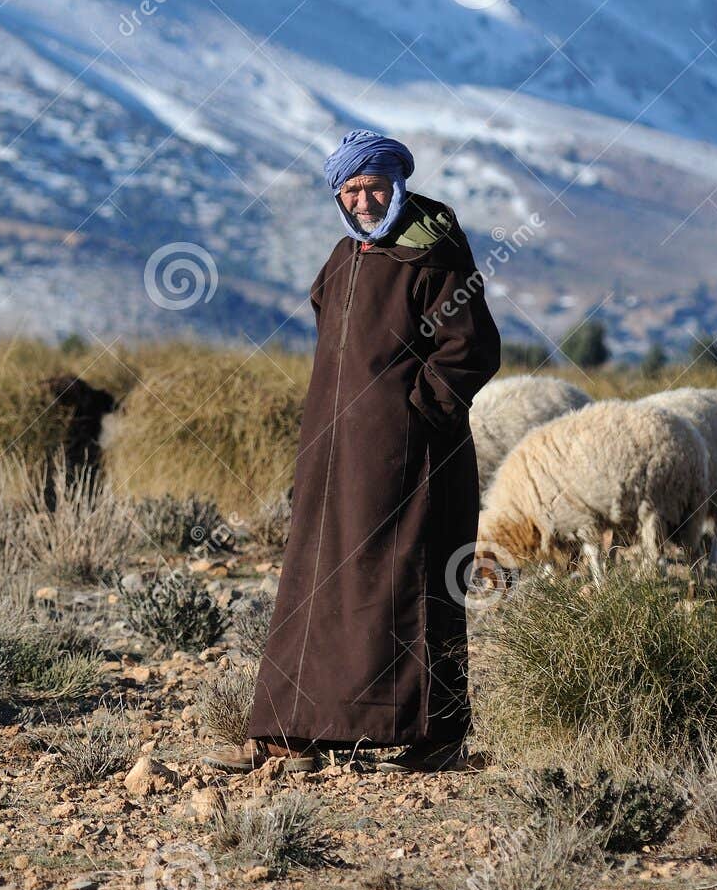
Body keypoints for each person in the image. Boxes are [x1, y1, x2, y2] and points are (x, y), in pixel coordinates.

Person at [207, 129, 501, 775]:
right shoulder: (346, 257)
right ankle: (293, 733)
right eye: (351, 187)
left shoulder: (435, 255)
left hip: (418, 463)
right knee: (317, 587)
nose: (363, 198)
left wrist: (417, 413)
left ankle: (436, 737)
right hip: (336, 462)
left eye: (374, 186)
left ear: (397, 184)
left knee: (411, 590)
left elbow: (472, 349)